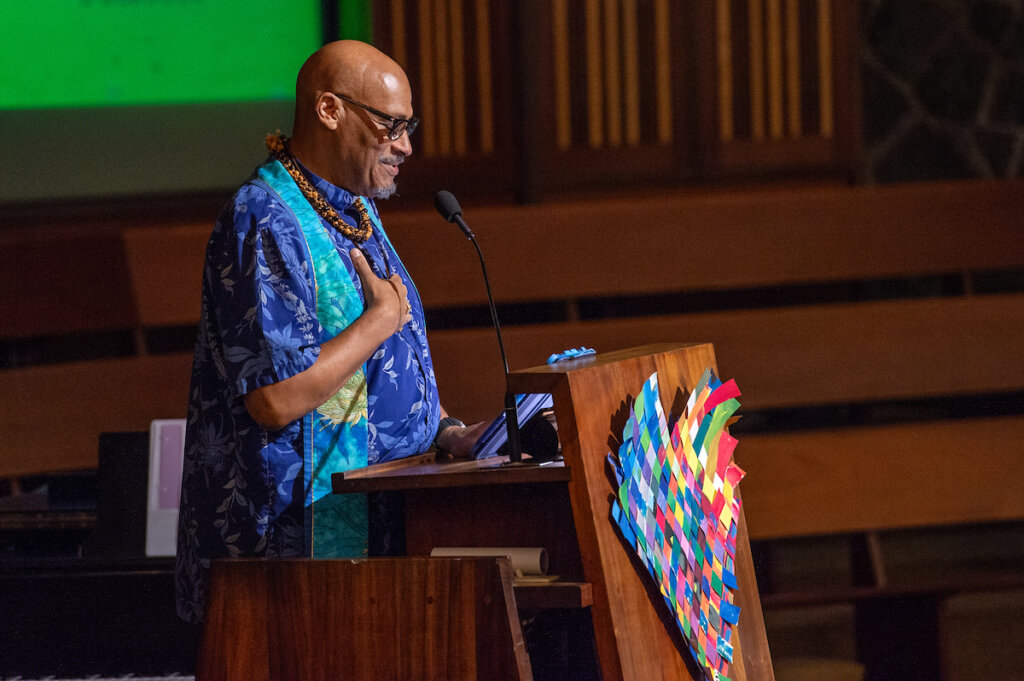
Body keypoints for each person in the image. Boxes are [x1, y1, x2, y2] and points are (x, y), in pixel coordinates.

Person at [175, 40, 483, 623]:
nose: (406, 146)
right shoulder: (263, 218)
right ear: (329, 110)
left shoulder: (351, 209)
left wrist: (447, 431)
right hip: (290, 550)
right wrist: (377, 323)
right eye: (391, 125)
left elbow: (375, 376)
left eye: (408, 125)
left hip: (385, 520)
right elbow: (274, 398)